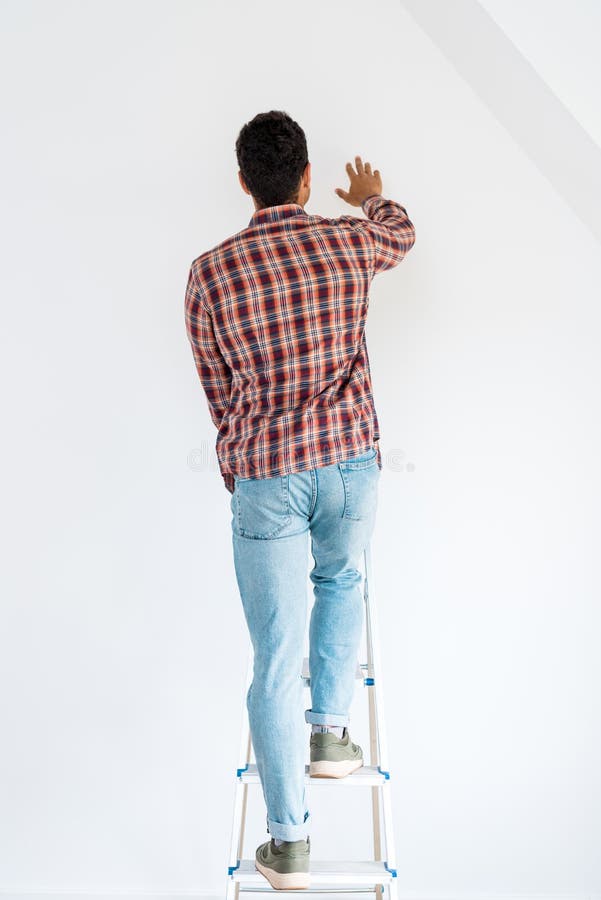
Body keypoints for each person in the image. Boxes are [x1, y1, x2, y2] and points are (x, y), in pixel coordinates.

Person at [184, 110, 416, 890]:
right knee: (342, 581)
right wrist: (370, 199)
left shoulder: (210, 272)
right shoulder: (348, 241)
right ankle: (332, 733)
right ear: (307, 177)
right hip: (349, 464)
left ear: (243, 182)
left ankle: (286, 846)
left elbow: (217, 391)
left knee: (273, 658)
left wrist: (239, 461)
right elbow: (401, 230)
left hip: (268, 475)